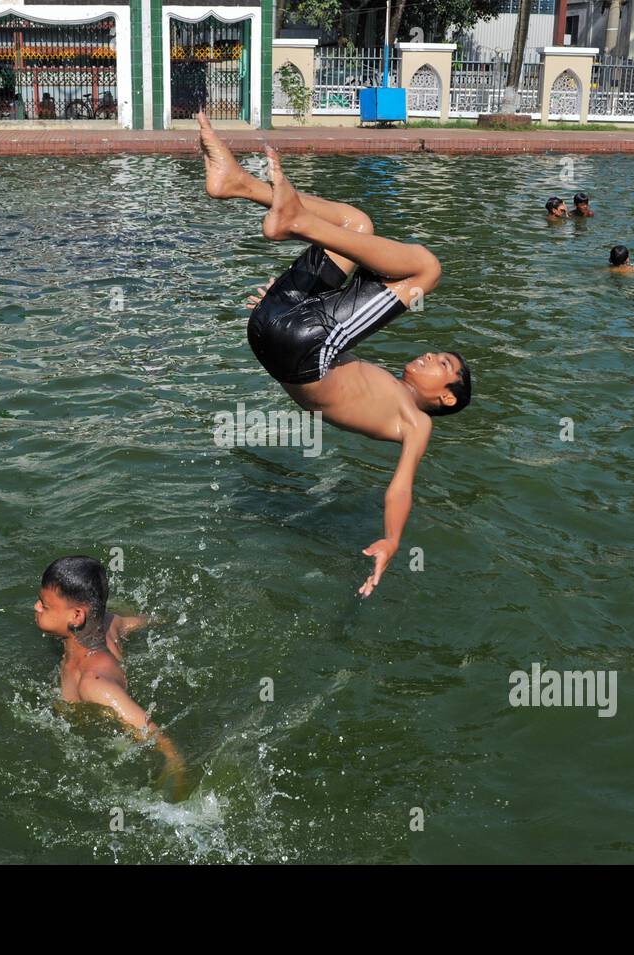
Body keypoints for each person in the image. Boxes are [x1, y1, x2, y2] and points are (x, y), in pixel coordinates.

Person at [197, 111, 470, 598]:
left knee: (427, 267)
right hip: (279, 328)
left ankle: (289, 213)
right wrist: (277, 308)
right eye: (438, 354)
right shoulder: (373, 381)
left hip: (300, 345)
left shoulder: (414, 421)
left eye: (444, 366)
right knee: (355, 224)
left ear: (446, 399)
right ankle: (237, 184)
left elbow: (401, 486)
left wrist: (392, 538)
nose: (432, 355)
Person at [34, 556, 184, 787]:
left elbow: (153, 734)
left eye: (44, 605)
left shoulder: (92, 683)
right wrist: (165, 620)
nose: (36, 607)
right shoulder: (109, 622)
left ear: (76, 616)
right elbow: (134, 622)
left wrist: (176, 767)